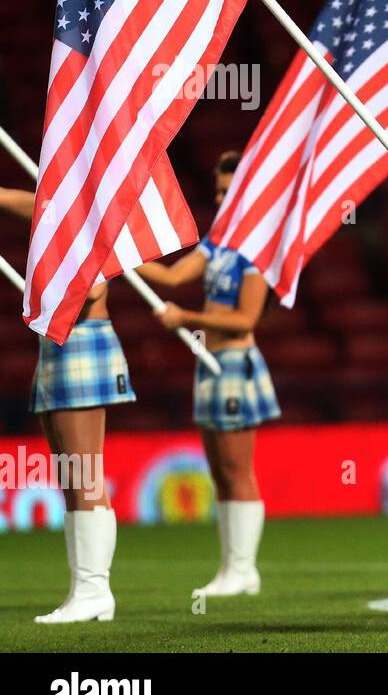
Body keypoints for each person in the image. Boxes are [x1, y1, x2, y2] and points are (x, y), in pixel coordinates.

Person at [135, 151, 280, 598]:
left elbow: (247, 319)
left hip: (235, 362)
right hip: (210, 364)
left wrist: (187, 318)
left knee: (238, 468)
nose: (219, 198)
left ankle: (244, 568)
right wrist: (121, 258)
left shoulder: (256, 248)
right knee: (218, 471)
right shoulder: (217, 242)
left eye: (228, 190)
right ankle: (230, 568)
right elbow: (174, 274)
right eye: (217, 190)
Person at [1, 187, 133, 623]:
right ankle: (85, 590)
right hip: (58, 346)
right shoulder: (62, 212)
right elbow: (22, 202)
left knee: (85, 472)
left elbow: (91, 291)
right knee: (73, 477)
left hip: (82, 341)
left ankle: (97, 589)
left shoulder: (93, 217)